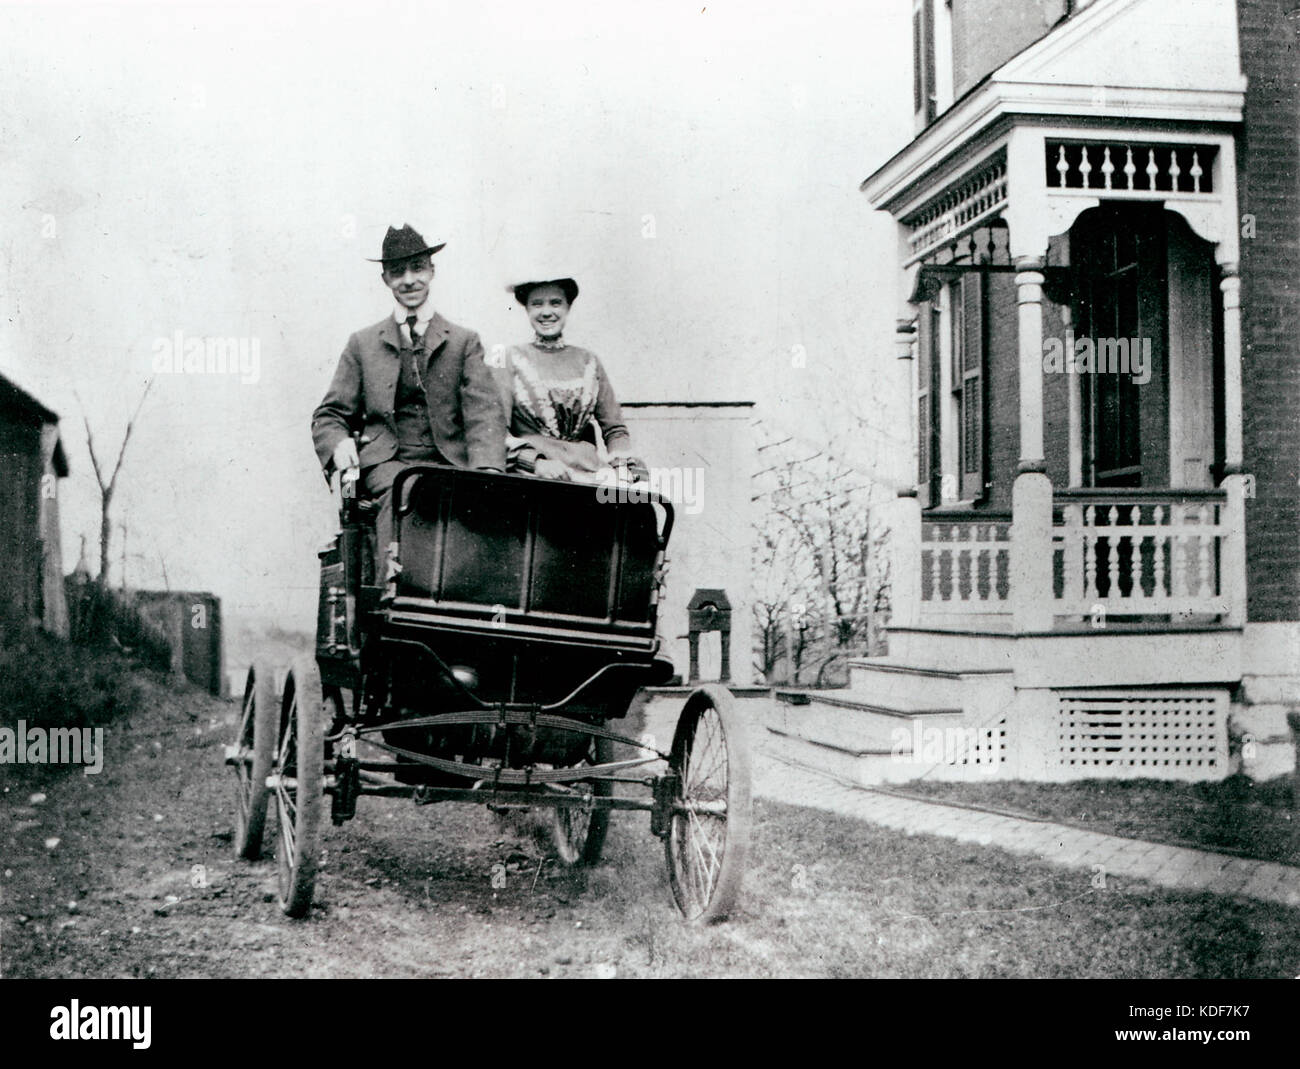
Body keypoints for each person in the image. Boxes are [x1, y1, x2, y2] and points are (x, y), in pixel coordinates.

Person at [311, 224, 506, 561]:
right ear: (385, 279)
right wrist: (338, 442)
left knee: (472, 503)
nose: (409, 280)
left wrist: (487, 469)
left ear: (432, 271)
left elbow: (484, 413)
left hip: (449, 461)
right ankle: (396, 591)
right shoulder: (363, 343)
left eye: (417, 268)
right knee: (406, 489)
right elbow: (329, 415)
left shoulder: (463, 341)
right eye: (397, 272)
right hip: (388, 463)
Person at [493, 276, 647, 483]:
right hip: (531, 477)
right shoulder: (507, 358)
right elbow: (494, 430)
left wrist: (623, 469)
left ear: (568, 307)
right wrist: (536, 463)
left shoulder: (588, 361)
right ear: (527, 309)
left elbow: (615, 429)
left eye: (555, 303)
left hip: (588, 474)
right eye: (537, 304)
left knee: (637, 507)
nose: (546, 312)